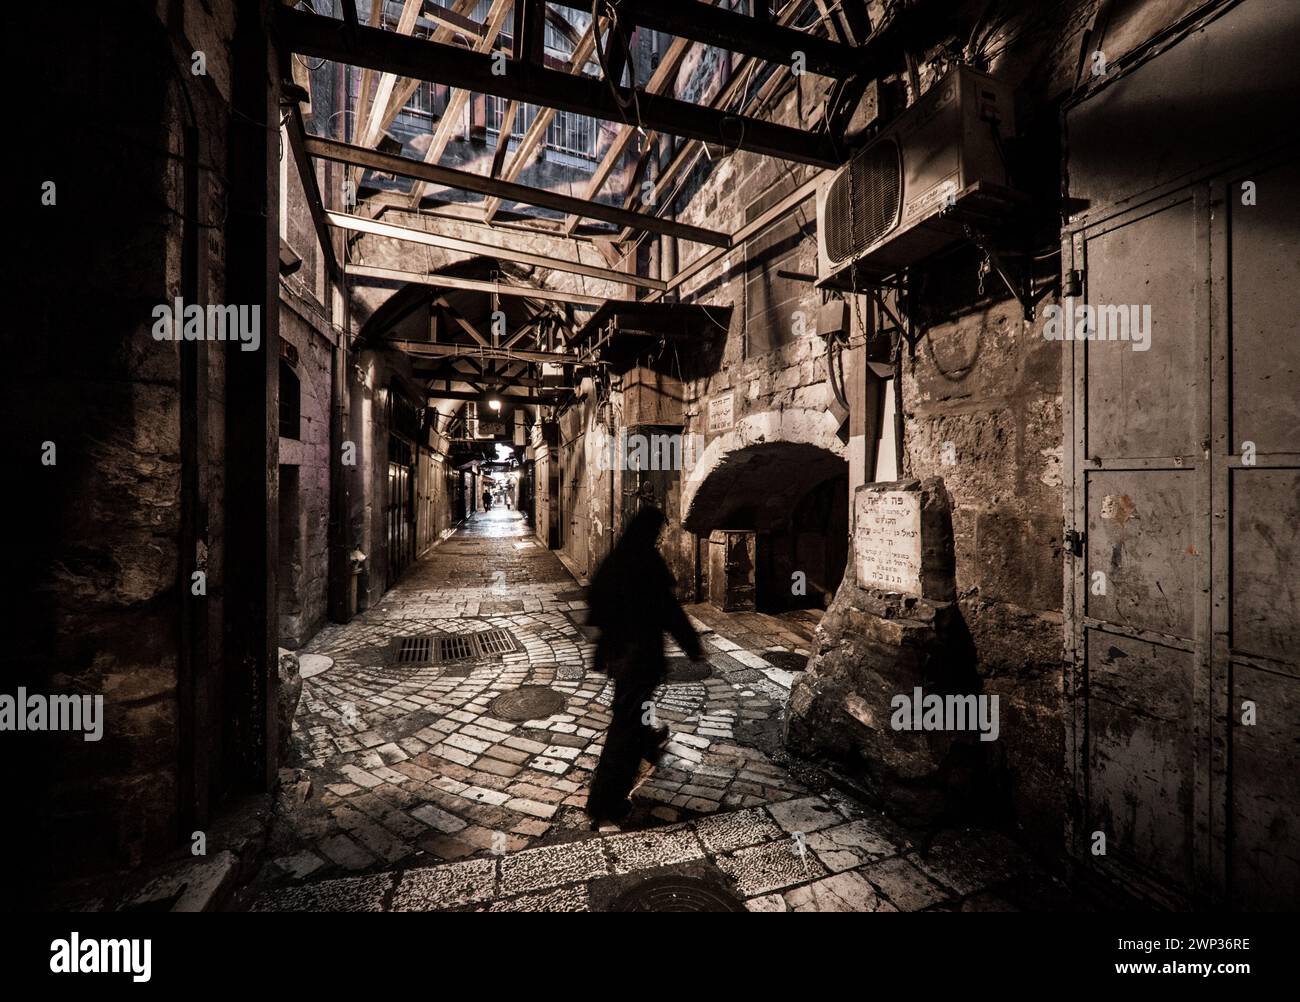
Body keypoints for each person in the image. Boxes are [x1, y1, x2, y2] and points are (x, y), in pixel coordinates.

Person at [584, 505, 703, 828]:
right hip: (640, 658)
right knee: (626, 728)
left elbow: (596, 599)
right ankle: (605, 802)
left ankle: (649, 740)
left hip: (620, 655)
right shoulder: (648, 564)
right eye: (659, 531)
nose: (661, 537)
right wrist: (692, 646)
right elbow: (669, 612)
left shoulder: (618, 558)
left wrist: (605, 641)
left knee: (631, 714)